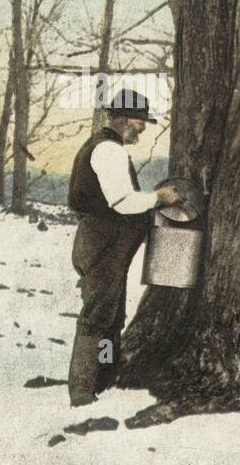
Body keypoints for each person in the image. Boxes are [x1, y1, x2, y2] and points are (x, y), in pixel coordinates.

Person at [65, 90, 183, 406]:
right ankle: (82, 390)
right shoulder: (108, 150)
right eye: (139, 120)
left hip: (101, 241)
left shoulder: (102, 146)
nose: (143, 127)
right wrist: (159, 197)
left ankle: (103, 379)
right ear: (123, 120)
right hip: (104, 243)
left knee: (112, 314)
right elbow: (123, 202)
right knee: (98, 315)